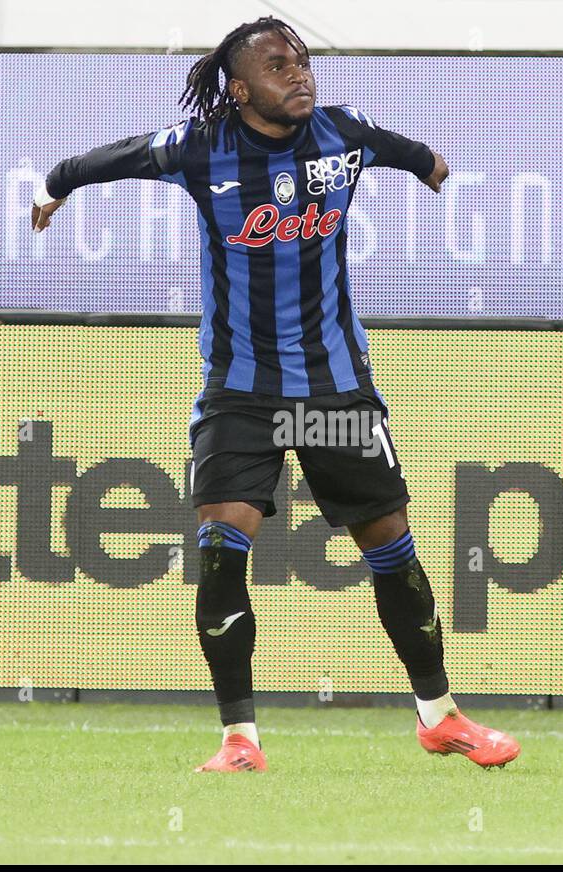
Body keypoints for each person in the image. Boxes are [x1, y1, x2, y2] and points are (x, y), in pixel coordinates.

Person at [33, 16, 520, 772]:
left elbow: (412, 153)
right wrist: (55, 185)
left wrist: (433, 167)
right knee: (223, 547)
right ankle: (240, 738)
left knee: (391, 548)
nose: (299, 74)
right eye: (277, 65)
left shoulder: (342, 135)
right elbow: (115, 159)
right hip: (241, 392)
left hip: (336, 390)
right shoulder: (202, 148)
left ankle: (440, 715)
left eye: (302, 61)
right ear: (239, 88)